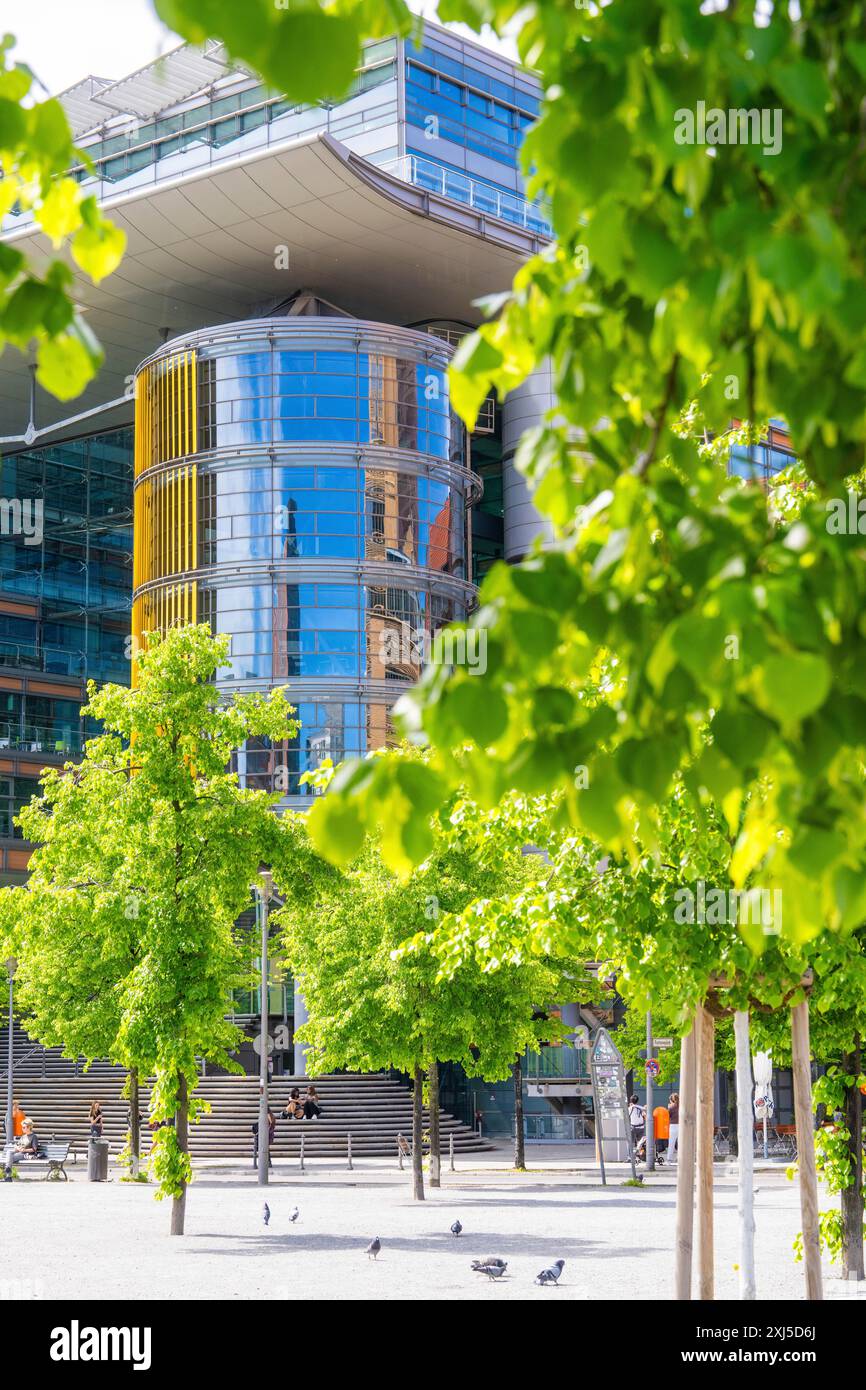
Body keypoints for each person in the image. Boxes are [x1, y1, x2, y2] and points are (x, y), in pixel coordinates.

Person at [667, 1093, 680, 1166]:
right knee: (681, 1144)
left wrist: (669, 1107)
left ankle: (669, 1160)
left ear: (672, 1100)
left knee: (671, 1144)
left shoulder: (671, 1107)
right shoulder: (682, 1106)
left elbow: (668, 1116)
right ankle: (680, 1158)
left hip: (673, 1126)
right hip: (681, 1126)